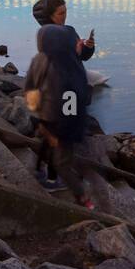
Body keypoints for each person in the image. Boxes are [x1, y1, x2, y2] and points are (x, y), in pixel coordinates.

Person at [24, 24, 101, 210]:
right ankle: (82, 196)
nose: (79, 44)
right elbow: (73, 101)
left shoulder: (40, 59)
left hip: (46, 116)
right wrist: (66, 132)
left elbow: (31, 86)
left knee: (49, 148)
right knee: (62, 162)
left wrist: (36, 111)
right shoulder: (70, 69)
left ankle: (39, 172)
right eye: (75, 42)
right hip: (61, 123)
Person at [31, 0, 95, 60]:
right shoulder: (49, 35)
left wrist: (87, 47)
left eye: (65, 12)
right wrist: (75, 53)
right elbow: (55, 61)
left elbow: (83, 56)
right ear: (49, 17)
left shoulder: (69, 31)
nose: (65, 16)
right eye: (61, 13)